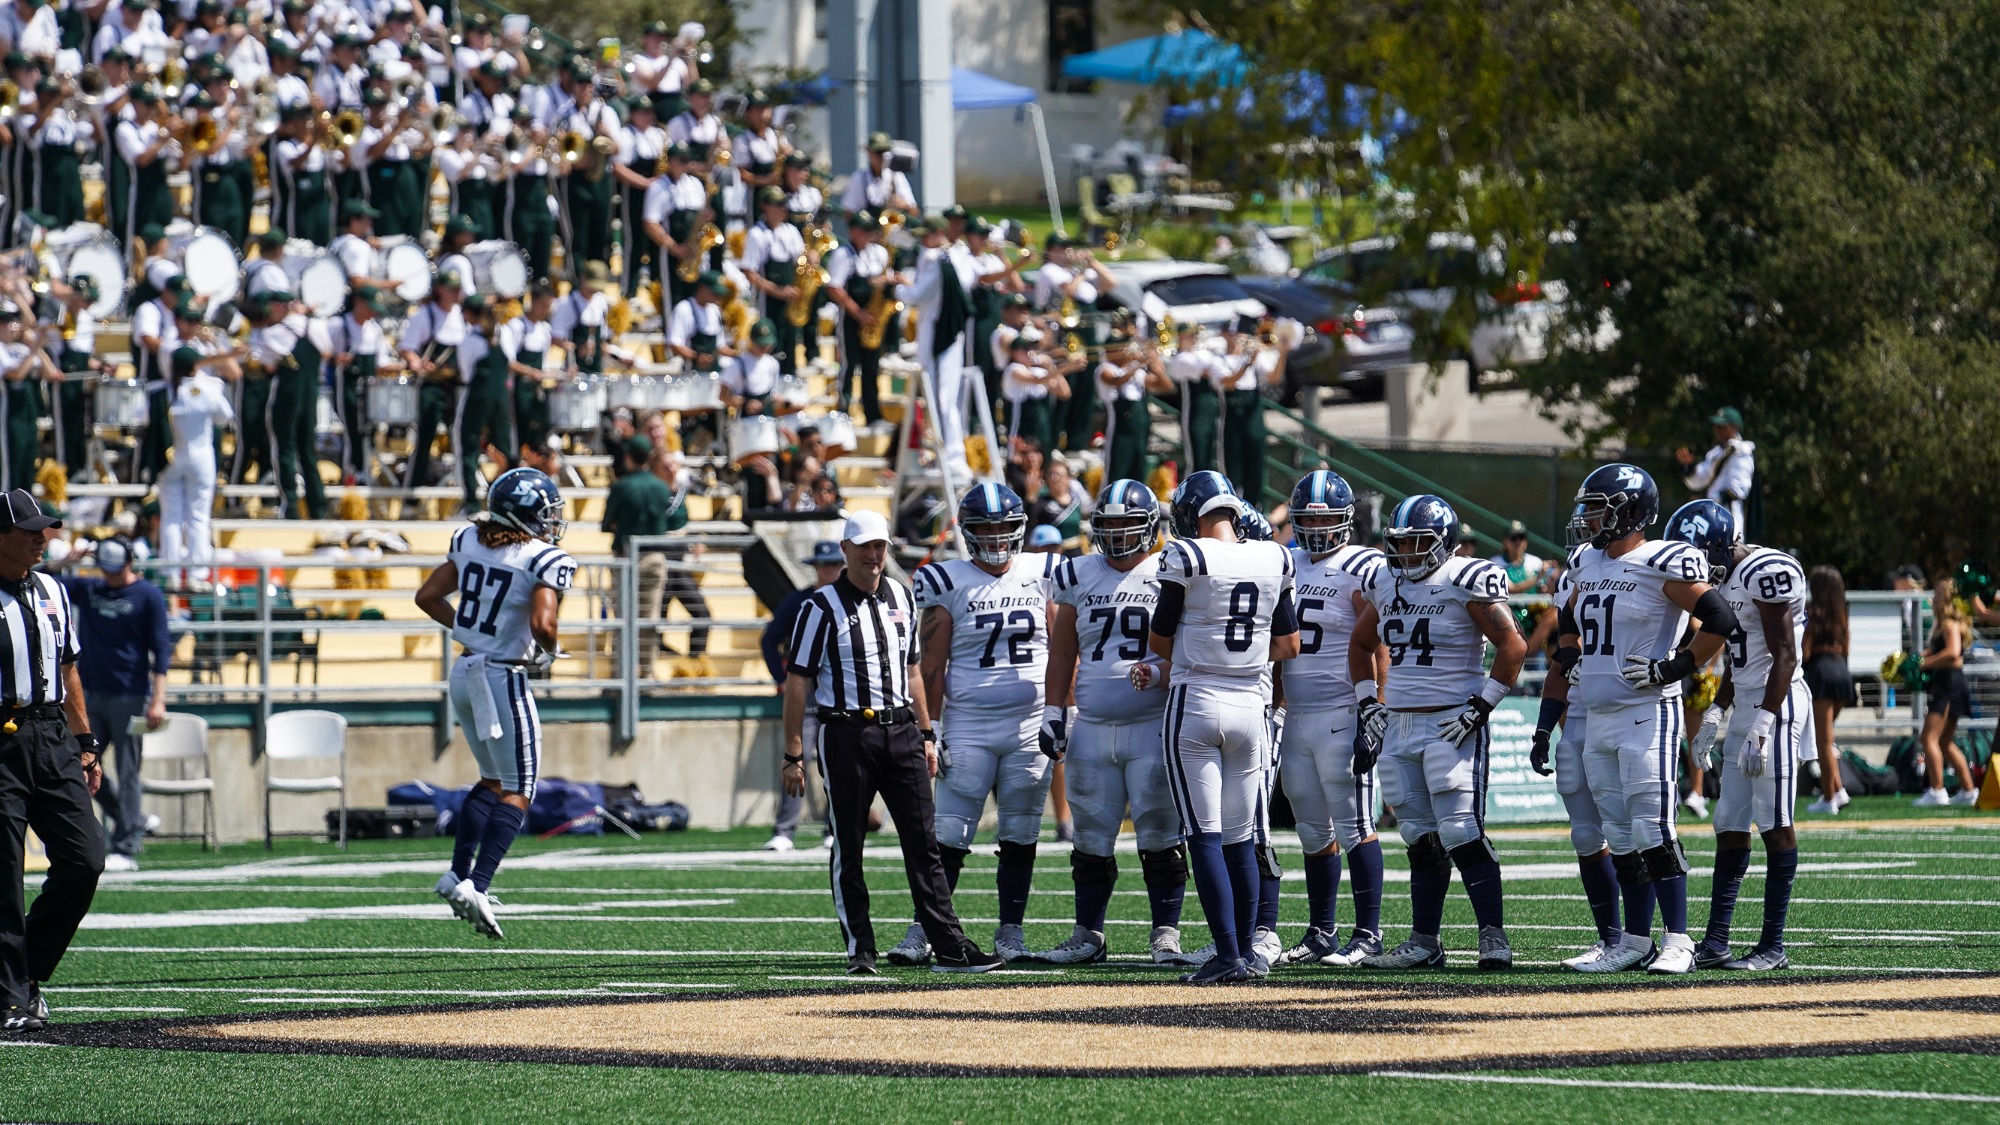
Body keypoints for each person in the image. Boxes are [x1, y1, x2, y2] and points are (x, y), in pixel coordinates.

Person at [781, 509, 1002, 976]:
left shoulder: (903, 595)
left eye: (879, 545)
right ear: (845, 550)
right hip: (846, 733)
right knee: (850, 845)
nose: (874, 554)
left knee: (925, 843)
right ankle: (861, 949)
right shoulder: (818, 607)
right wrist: (793, 754)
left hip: (901, 730)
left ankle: (948, 946)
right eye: (864, 546)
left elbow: (913, 671)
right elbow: (798, 682)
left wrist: (925, 732)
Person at [1556, 463, 1737, 975]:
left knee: (1653, 826)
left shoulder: (1662, 559)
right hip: (1599, 713)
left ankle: (1678, 939)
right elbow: (1569, 620)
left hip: (1645, 711)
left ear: (1630, 511)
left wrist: (1673, 667)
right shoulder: (1586, 563)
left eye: (1598, 507)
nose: (1588, 518)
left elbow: (1720, 619)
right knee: (1620, 831)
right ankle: (1635, 942)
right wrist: (1571, 657)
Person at [1347, 494, 1524, 972]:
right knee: (1419, 836)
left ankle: (1493, 936)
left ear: (1443, 542)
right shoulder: (1385, 580)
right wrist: (1368, 702)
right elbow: (1361, 643)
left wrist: (1481, 706)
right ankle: (1425, 941)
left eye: (1419, 542)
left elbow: (1513, 645)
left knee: (1460, 830)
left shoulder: (1463, 577)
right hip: (1399, 722)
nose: (1407, 554)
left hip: (1451, 721)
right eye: (1401, 544)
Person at [1134, 471, 1298, 984]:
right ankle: (1248, 953)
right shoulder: (1275, 555)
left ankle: (1227, 955)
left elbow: (1160, 641)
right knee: (1240, 836)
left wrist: (1200, 651)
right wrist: (1242, 656)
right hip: (1253, 701)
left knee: (1203, 836)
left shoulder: (1187, 555)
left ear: (1190, 513)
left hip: (1198, 700)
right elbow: (1290, 646)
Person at [1036, 480, 1203, 965]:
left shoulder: (1172, 567)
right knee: (1089, 835)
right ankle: (1088, 934)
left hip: (1153, 723)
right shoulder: (1078, 573)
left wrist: (1161, 672)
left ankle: (1165, 935)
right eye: (1108, 525)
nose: (1118, 535)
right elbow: (1063, 649)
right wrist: (1054, 710)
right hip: (1092, 724)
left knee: (1159, 832)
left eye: (1128, 524)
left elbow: (1193, 646)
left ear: (1150, 526)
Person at [891, 484, 1059, 965]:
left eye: (1003, 527)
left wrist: (1057, 711)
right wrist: (932, 727)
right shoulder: (947, 580)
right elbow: (931, 666)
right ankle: (925, 930)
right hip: (969, 723)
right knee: (947, 833)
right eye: (984, 528)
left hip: (1029, 722)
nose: (994, 537)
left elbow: (1060, 645)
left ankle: (1011, 931)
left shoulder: (1042, 572)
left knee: (1021, 831)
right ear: (966, 531)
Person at [413, 468, 574, 941]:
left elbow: (427, 596)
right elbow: (544, 625)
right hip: (503, 674)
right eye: (544, 515)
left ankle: (458, 874)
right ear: (525, 515)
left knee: (491, 779)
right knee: (520, 788)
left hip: (466, 670)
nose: (551, 523)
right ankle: (479, 885)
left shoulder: (469, 539)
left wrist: (469, 629)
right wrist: (549, 651)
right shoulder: (542, 558)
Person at [1666, 500, 1807, 972]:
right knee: (1728, 819)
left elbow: (1783, 655)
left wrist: (1766, 721)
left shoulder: (1767, 569)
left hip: (1778, 704)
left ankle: (1773, 945)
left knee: (1774, 820)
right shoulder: (1725, 577)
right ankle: (1717, 941)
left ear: (1726, 544)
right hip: (1748, 702)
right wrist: (1717, 711)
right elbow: (1739, 654)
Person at [1264, 471, 1389, 968]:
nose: (1316, 529)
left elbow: (1378, 643)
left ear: (1346, 520)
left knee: (1356, 823)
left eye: (1325, 518)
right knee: (1313, 829)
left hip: (1342, 709)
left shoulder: (1363, 565)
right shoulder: (1286, 561)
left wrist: (1374, 706)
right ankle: (1321, 932)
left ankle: (1368, 933)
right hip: (1297, 714)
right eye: (1307, 519)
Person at [0, 488, 101, 1034]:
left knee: (85, 859)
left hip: (51, 731)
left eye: (46, 529)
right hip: (1, 738)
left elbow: (69, 670)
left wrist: (86, 745)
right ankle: (10, 997)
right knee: (4, 874)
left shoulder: (52, 592)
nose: (43, 538)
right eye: (29, 531)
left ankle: (27, 972)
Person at [1529, 532, 1640, 971]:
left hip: (1625, 710)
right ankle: (1611, 938)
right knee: (1586, 834)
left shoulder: (1640, 572)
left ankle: (1655, 936)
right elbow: (1562, 659)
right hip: (1578, 714)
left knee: (1637, 828)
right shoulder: (1577, 574)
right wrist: (1543, 729)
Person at [59, 537, 168, 873]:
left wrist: (158, 699)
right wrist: (68, 561)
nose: (111, 577)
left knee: (128, 768)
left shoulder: (148, 595)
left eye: (115, 570)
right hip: (90, 693)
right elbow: (46, 583)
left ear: (129, 563)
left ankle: (126, 844)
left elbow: (161, 649)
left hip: (130, 695)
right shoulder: (91, 588)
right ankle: (128, 818)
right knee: (81, 763)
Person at [758, 539, 845, 852]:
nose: (829, 570)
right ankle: (785, 830)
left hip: (841, 694)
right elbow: (769, 640)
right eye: (824, 565)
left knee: (838, 763)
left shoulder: (854, 601)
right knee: (795, 759)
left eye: (835, 564)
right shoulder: (801, 601)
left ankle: (835, 828)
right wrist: (782, 679)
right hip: (807, 695)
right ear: (816, 569)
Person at [601, 435, 676, 680]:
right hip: (655, 556)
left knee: (623, 618)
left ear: (628, 457)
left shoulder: (621, 487)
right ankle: (646, 674)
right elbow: (673, 520)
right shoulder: (661, 486)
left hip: (626, 558)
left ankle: (620, 674)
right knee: (649, 617)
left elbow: (607, 523)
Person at [1913, 580, 1979, 808]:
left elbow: (1953, 653)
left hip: (1949, 683)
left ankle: (1937, 790)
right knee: (1944, 741)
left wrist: (1925, 664)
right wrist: (1912, 662)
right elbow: (1933, 651)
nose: (1935, 599)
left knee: (1928, 738)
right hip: (1949, 683)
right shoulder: (1941, 626)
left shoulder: (1951, 625)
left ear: (1948, 600)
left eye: (1939, 595)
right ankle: (1969, 790)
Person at [1802, 564, 1856, 815]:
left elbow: (1805, 651)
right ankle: (1839, 790)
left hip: (1821, 673)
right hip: (1842, 672)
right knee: (1827, 738)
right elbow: (1847, 648)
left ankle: (1827, 798)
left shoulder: (1812, 613)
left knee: (1822, 741)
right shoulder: (1841, 614)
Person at [1675, 405, 1756, 530]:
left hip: (1728, 516)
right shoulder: (1716, 453)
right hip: (1709, 516)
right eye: (1716, 426)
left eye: (1722, 426)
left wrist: (1707, 501)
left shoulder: (1742, 452)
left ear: (1734, 427)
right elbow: (1698, 481)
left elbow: (1738, 490)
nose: (1717, 429)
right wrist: (1690, 465)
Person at [838, 131, 914, 220]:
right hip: (869, 230)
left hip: (894, 231)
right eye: (878, 152)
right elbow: (848, 212)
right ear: (869, 153)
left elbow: (914, 211)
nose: (882, 156)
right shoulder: (860, 177)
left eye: (885, 152)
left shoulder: (897, 176)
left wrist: (905, 205)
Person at [1491, 520, 1545, 594]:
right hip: (1507, 605)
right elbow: (1511, 589)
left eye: (1521, 537)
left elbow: (1543, 590)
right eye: (1514, 538)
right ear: (1505, 541)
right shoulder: (1495, 564)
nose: (1518, 542)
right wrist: (1538, 578)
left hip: (1532, 605)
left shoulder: (1536, 562)